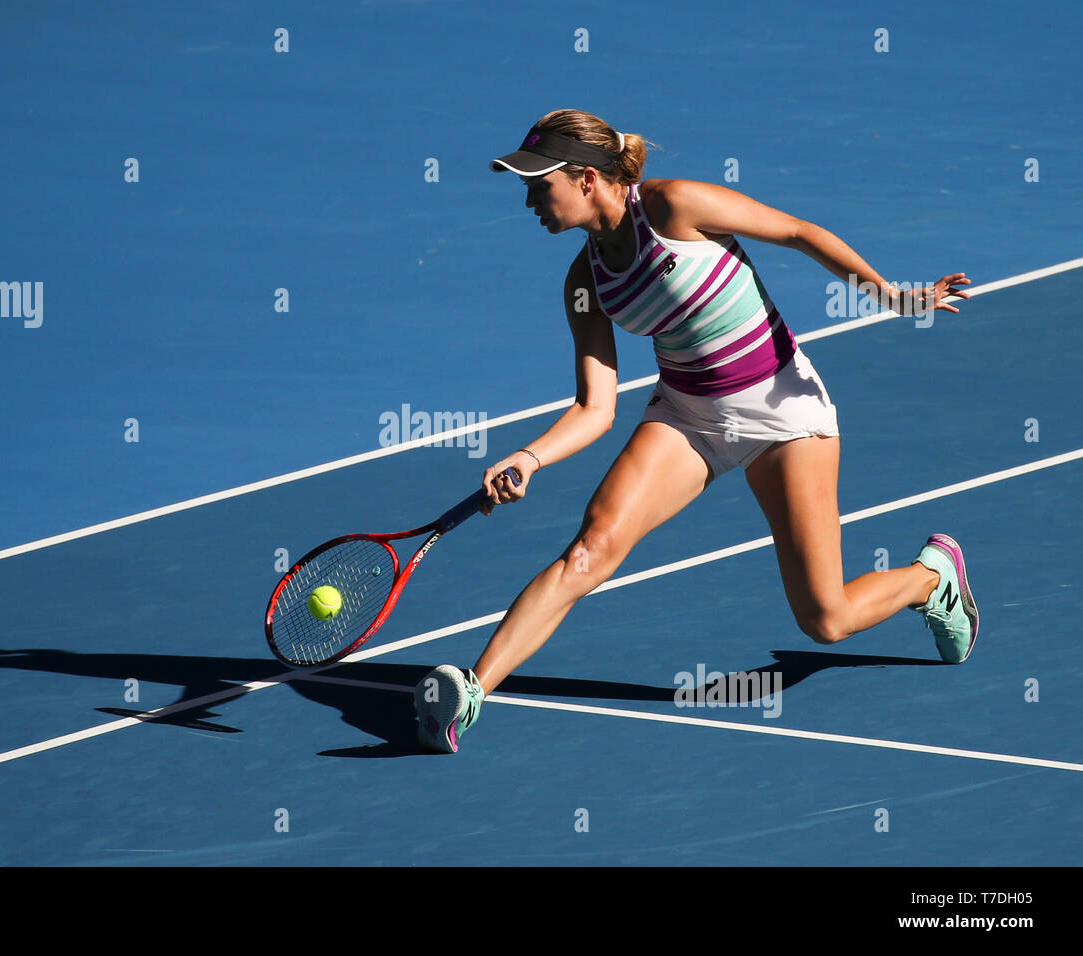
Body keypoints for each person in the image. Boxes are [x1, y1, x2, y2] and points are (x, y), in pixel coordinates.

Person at [413, 108, 978, 754]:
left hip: (783, 412)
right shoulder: (584, 281)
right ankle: (472, 691)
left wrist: (890, 294)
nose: (530, 200)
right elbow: (596, 407)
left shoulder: (675, 206)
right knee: (589, 552)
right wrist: (530, 458)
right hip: (688, 416)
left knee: (827, 617)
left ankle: (933, 578)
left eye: (540, 184)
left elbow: (795, 232)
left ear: (588, 179)